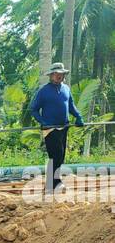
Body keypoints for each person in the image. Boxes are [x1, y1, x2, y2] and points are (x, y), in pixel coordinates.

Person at [30, 62, 85, 195]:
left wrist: (78, 116)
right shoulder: (43, 91)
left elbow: (71, 105)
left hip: (64, 127)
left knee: (60, 157)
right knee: (56, 155)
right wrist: (43, 121)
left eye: (61, 74)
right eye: (56, 74)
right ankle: (53, 184)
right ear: (51, 75)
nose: (59, 76)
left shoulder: (66, 89)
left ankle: (52, 184)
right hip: (50, 128)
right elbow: (34, 109)